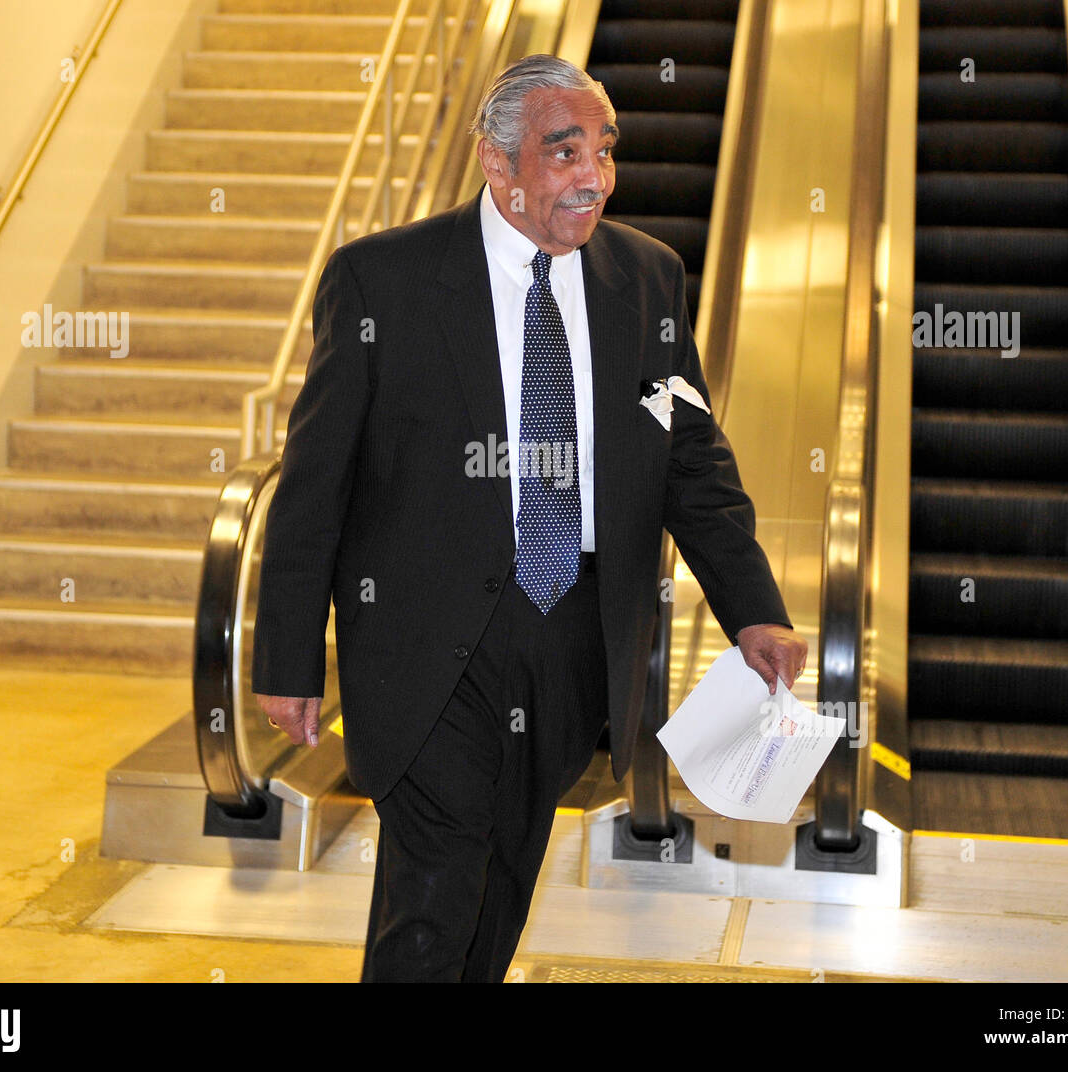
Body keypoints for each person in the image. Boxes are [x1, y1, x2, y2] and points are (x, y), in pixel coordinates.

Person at [251, 54, 807, 982]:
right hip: (429, 640)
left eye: (603, 151)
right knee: (435, 889)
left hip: (572, 635)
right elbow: (315, 486)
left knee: (502, 880)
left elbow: (692, 460)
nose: (593, 176)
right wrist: (288, 658)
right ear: (497, 164)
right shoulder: (382, 283)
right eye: (564, 152)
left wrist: (752, 607)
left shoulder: (648, 280)